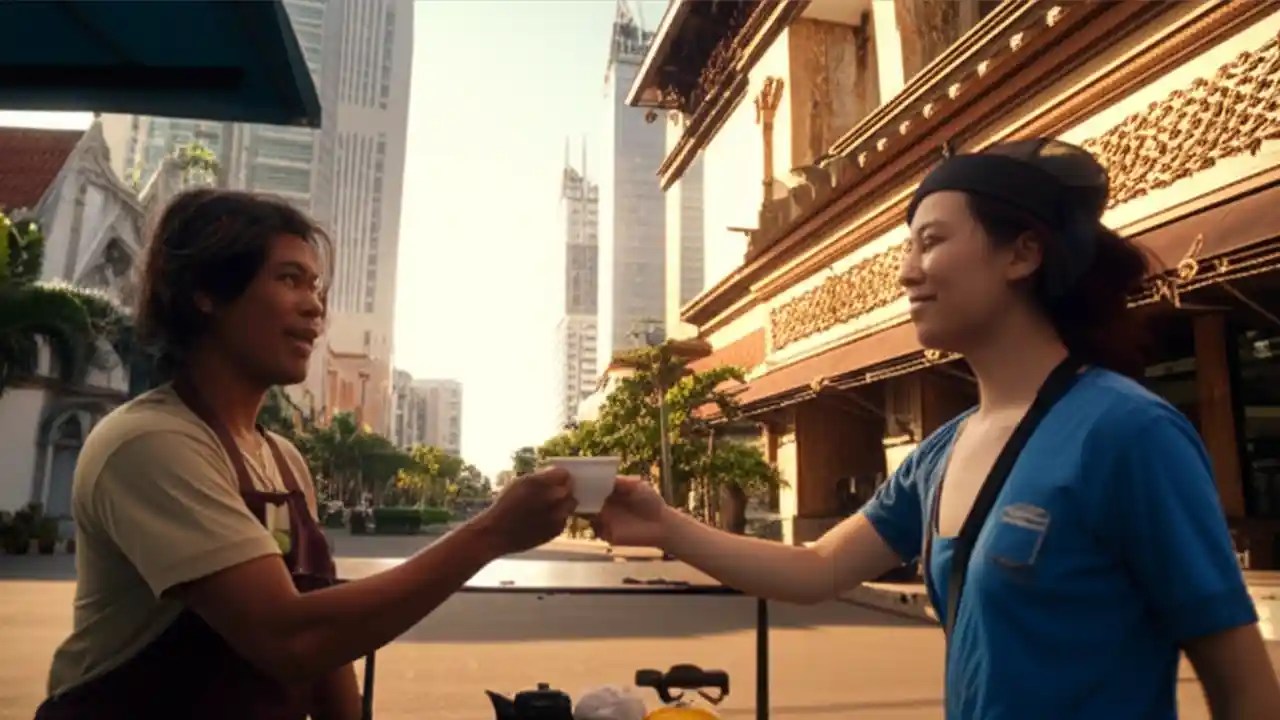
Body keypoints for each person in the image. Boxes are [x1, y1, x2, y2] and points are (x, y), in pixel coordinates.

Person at [594, 139, 1280, 718]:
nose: (905, 272)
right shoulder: (942, 452)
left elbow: (1240, 677)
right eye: (907, 248)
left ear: (1022, 255)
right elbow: (818, 567)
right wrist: (666, 526)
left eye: (931, 242)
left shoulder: (1127, 433)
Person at [36, 189, 577, 719]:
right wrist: (493, 533)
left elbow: (326, 651)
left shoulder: (284, 459)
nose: (315, 306)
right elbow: (291, 638)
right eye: (289, 279)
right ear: (207, 292)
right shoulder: (151, 443)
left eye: (316, 286)